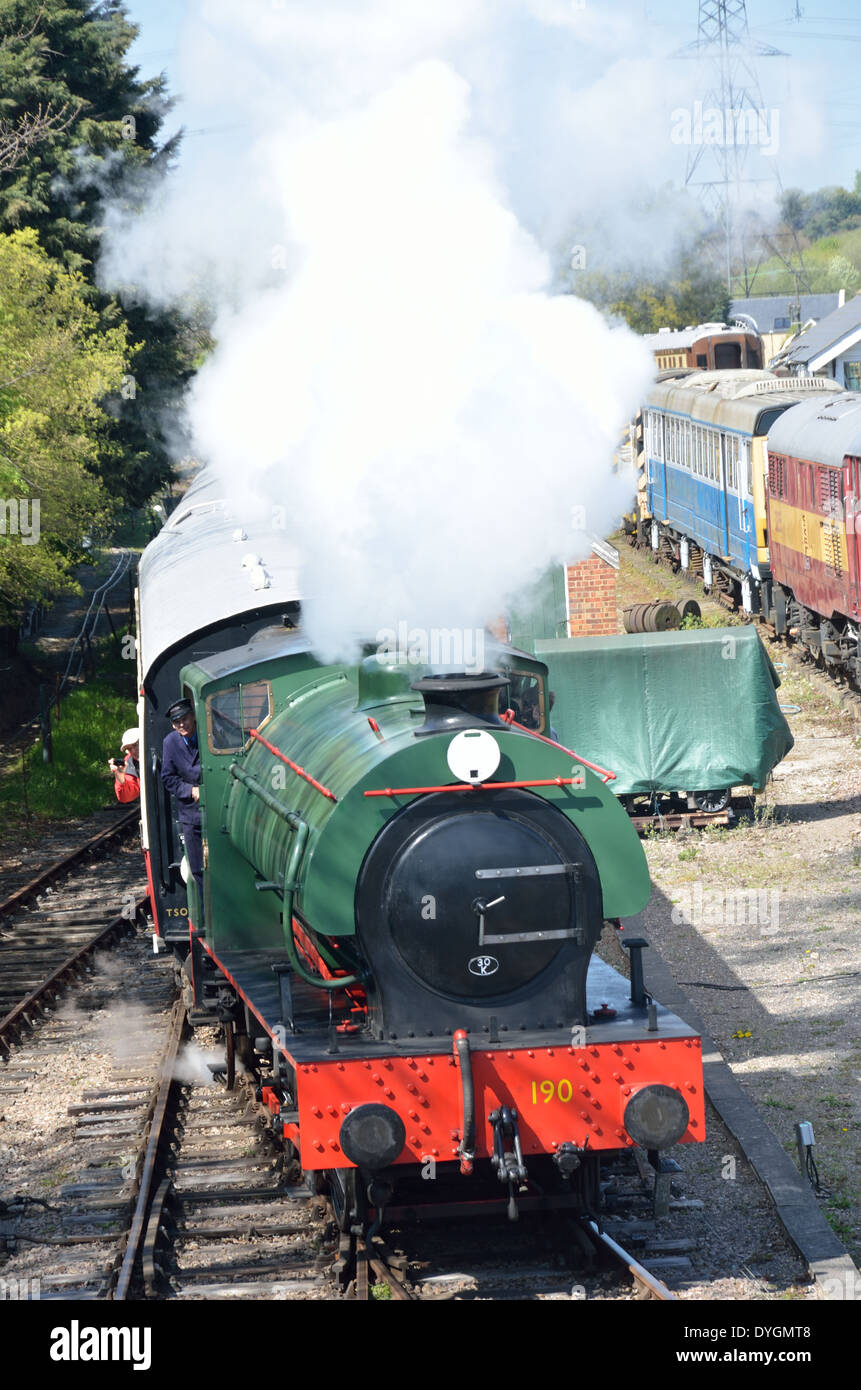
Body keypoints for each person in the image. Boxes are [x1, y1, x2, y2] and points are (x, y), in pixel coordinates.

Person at [160, 698, 203, 894]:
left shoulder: (208, 734)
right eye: (177, 722)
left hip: (216, 810)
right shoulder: (170, 742)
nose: (182, 725)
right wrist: (190, 790)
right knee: (197, 869)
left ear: (193, 716)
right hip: (190, 814)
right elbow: (168, 777)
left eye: (185, 719)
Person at [110, 728, 140, 803]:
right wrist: (120, 778)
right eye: (129, 748)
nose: (133, 751)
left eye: (135, 745)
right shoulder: (129, 765)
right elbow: (125, 797)